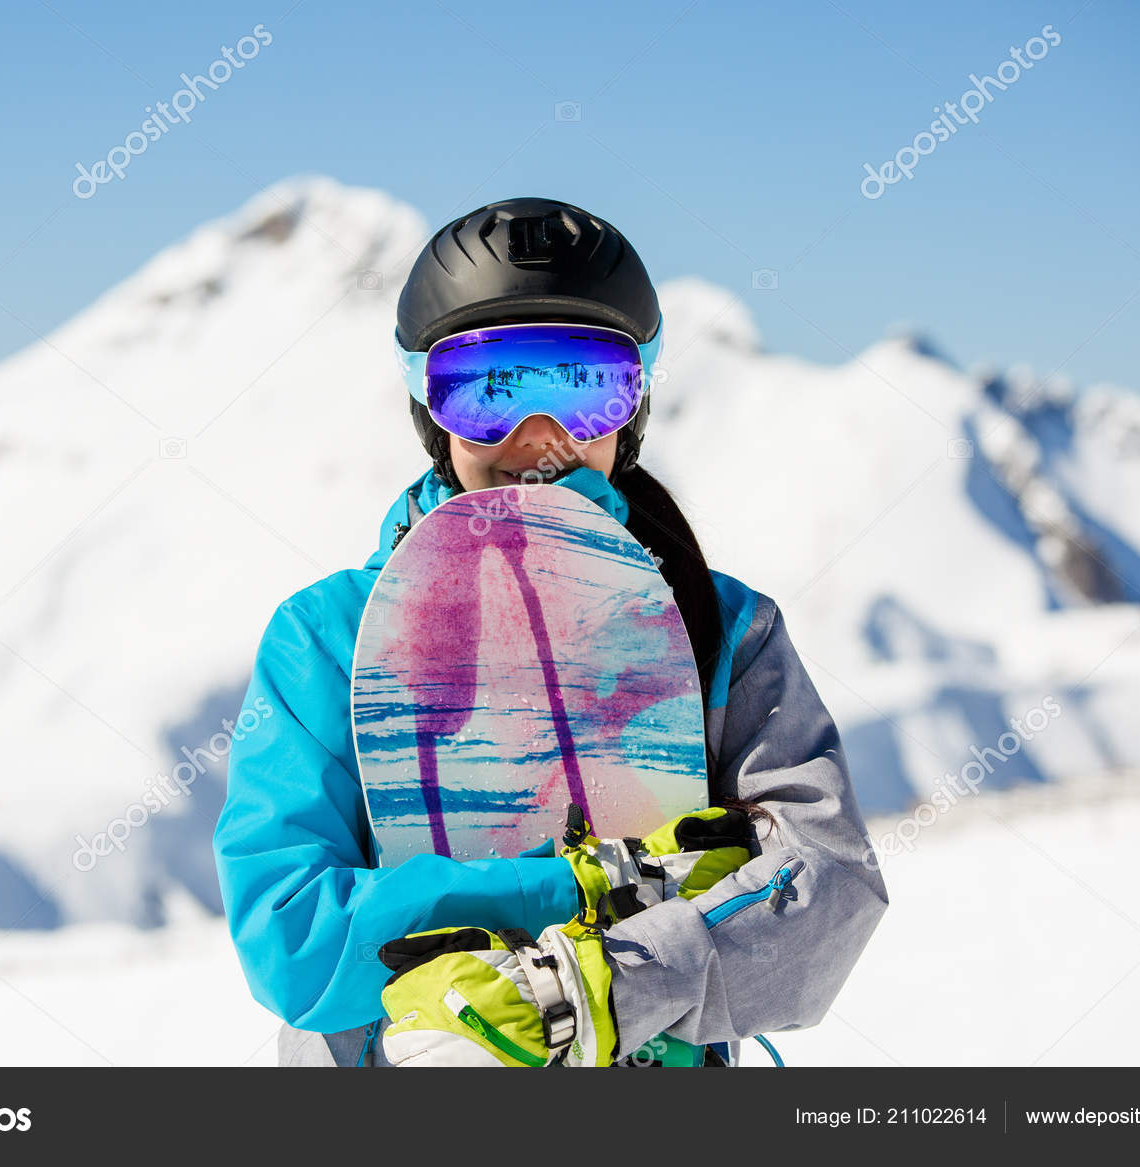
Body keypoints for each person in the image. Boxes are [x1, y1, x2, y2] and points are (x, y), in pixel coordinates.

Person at [213, 197, 887, 1067]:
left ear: (633, 405)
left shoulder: (721, 628)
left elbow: (828, 890)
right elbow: (292, 938)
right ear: (429, 405)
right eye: (490, 390)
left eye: (581, 385)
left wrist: (606, 988)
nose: (539, 435)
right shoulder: (327, 639)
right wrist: (591, 886)